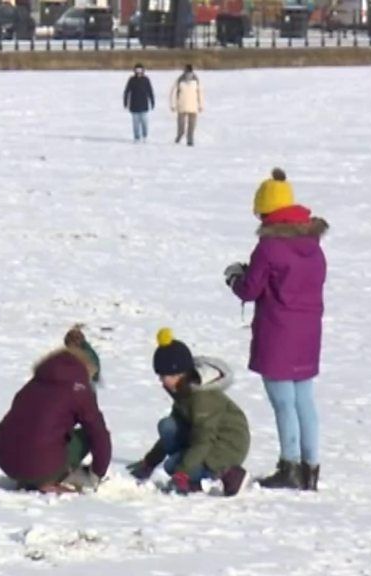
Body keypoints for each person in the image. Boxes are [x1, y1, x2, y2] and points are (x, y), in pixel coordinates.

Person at [224, 168, 329, 491]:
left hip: (278, 331)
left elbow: (250, 290)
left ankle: (290, 466)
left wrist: (234, 277)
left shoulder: (269, 247)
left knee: (283, 401)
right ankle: (311, 469)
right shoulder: (314, 245)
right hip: (308, 331)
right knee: (304, 399)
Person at [126, 329, 250, 496]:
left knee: (172, 466)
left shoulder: (202, 398)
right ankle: (194, 477)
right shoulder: (184, 393)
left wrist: (182, 472)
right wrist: (150, 461)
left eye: (165, 375)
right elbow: (176, 430)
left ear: (179, 373)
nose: (161, 380)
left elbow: (203, 440)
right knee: (168, 426)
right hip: (206, 442)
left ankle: (228, 472)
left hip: (226, 446)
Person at [0, 326, 112, 493]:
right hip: (39, 462)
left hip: (6, 460)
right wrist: (98, 473)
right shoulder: (79, 389)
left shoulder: (35, 382)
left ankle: (28, 475)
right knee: (86, 436)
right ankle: (45, 479)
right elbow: (99, 434)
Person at [169, 64, 203, 146]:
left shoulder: (196, 80)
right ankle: (178, 138)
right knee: (181, 127)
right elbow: (173, 93)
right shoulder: (180, 80)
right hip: (182, 106)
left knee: (191, 126)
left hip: (193, 107)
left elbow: (200, 93)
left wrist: (200, 105)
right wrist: (173, 105)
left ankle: (190, 141)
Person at [123, 63, 155, 143]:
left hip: (144, 105)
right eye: (137, 69)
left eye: (140, 69)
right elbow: (127, 91)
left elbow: (150, 91)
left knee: (144, 122)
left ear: (143, 70)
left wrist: (152, 101)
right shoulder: (131, 80)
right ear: (134, 70)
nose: (138, 71)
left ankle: (145, 136)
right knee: (135, 124)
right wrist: (125, 102)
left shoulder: (146, 79)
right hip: (134, 105)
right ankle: (136, 137)